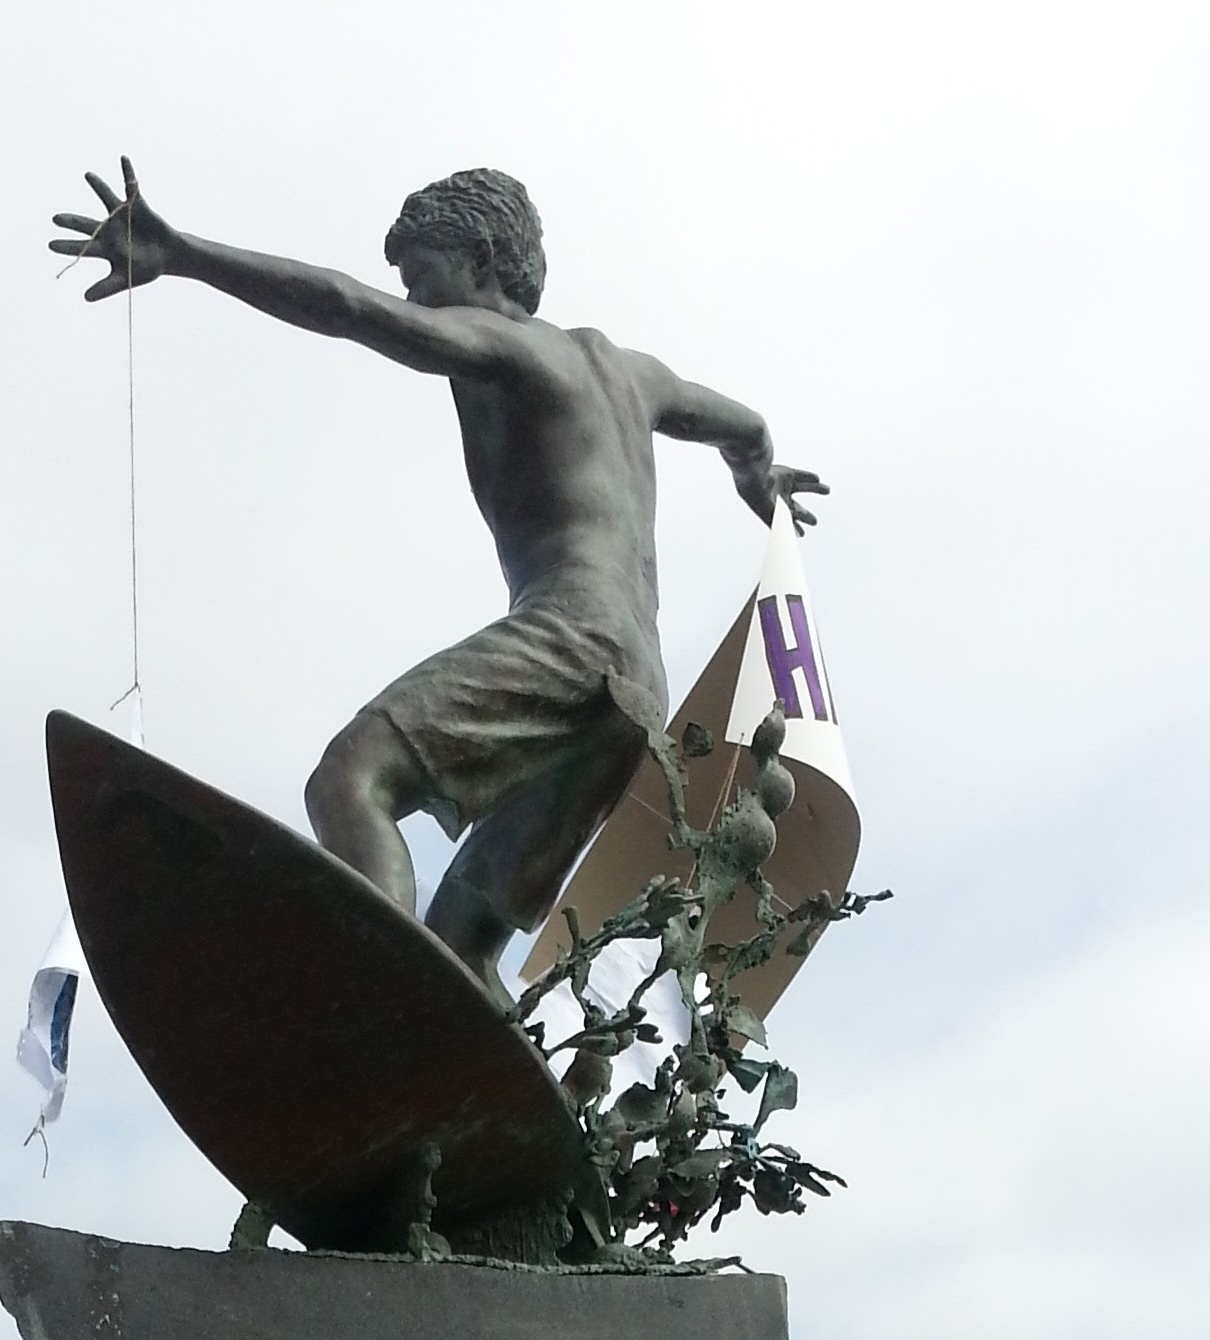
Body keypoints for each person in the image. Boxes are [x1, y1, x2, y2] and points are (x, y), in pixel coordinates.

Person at [50, 159, 827, 1007]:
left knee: (351, 780)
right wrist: (760, 483)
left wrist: (184, 253)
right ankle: (469, 1049)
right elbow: (747, 429)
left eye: (423, 281)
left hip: (572, 635)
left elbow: (348, 307)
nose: (416, 305)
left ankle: (386, 1003)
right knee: (462, 940)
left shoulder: (508, 348)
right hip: (636, 689)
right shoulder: (630, 373)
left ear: (483, 261)